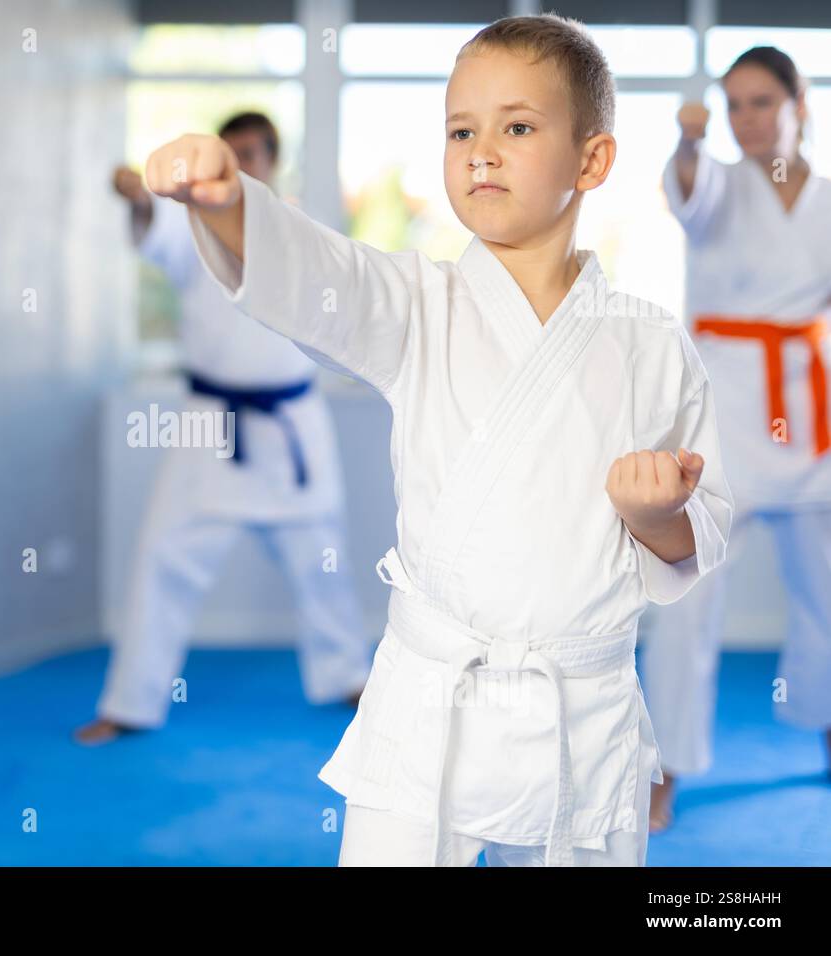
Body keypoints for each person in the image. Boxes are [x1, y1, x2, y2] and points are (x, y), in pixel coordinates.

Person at [144, 14, 734, 865]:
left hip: (582, 709)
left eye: (518, 127)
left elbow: (697, 537)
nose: (481, 151)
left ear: (592, 160)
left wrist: (652, 517)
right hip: (429, 702)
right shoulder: (418, 303)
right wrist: (231, 204)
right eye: (462, 130)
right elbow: (319, 277)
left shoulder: (651, 343)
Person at [76, 113, 372, 745]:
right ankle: (130, 702)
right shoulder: (192, 230)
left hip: (291, 423)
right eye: (227, 154)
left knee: (324, 564)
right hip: (209, 427)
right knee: (162, 562)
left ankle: (351, 679)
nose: (237, 166)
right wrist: (136, 195)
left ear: (270, 162)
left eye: (248, 155)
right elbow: (150, 228)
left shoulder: (303, 234)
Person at [643, 46, 831, 832]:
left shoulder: (825, 200)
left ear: (800, 106)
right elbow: (687, 190)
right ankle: (665, 766)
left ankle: (826, 727)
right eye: (734, 106)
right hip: (725, 412)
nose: (746, 119)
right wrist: (689, 144)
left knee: (828, 596)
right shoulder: (714, 181)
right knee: (686, 597)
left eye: (762, 102)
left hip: (812, 414)